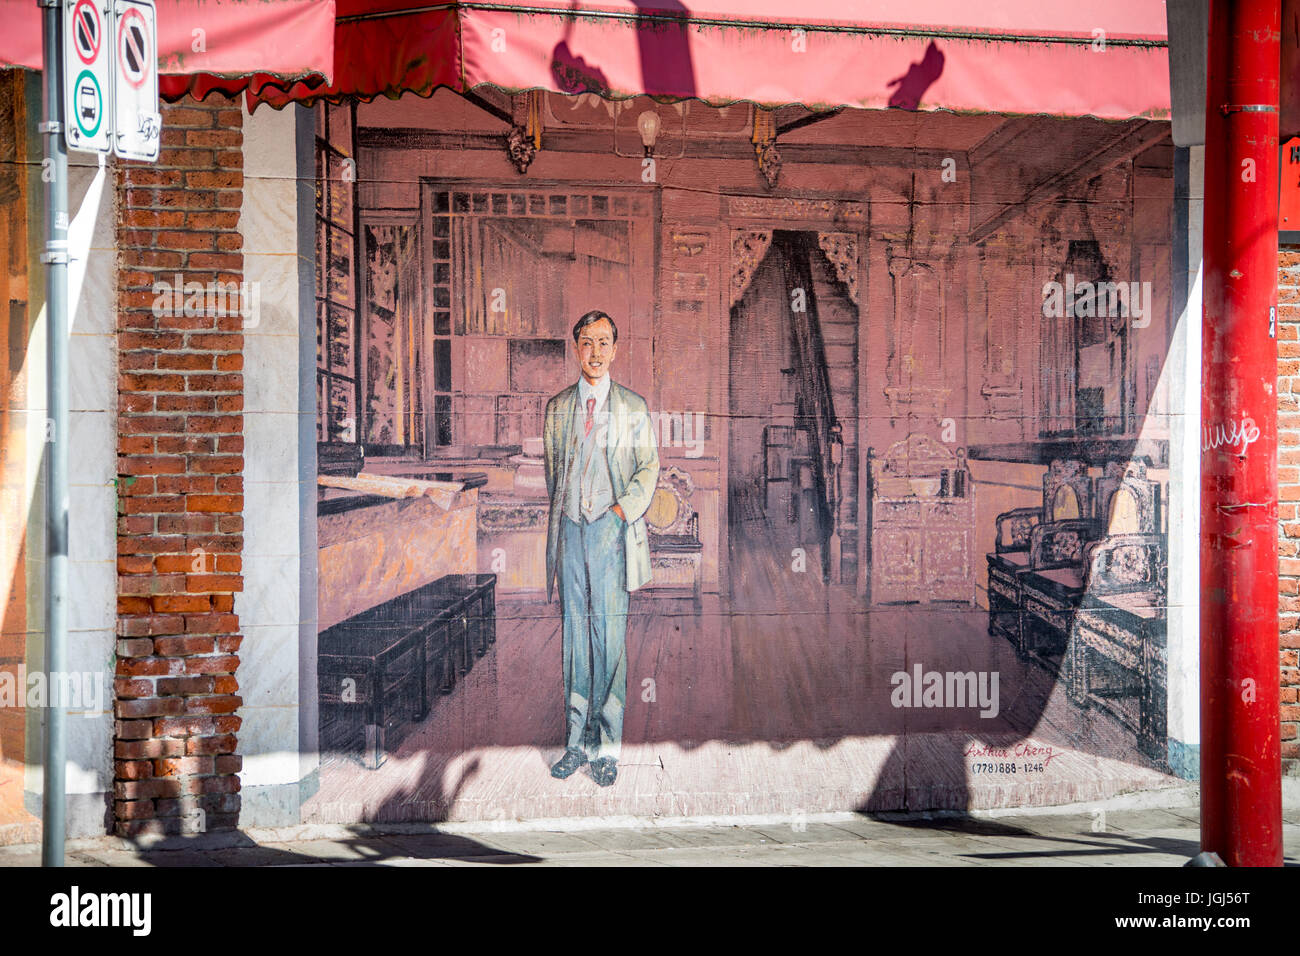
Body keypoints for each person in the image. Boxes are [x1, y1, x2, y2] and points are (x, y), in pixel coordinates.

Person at [543, 310, 659, 787]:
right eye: (586, 343)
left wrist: (617, 514)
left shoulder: (633, 407)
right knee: (575, 638)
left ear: (615, 348)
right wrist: (574, 511)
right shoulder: (557, 408)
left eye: (603, 342)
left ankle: (606, 749)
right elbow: (555, 473)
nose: (594, 352)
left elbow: (648, 468)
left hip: (612, 532)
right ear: (576, 348)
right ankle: (575, 743)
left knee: (608, 639)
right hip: (570, 531)